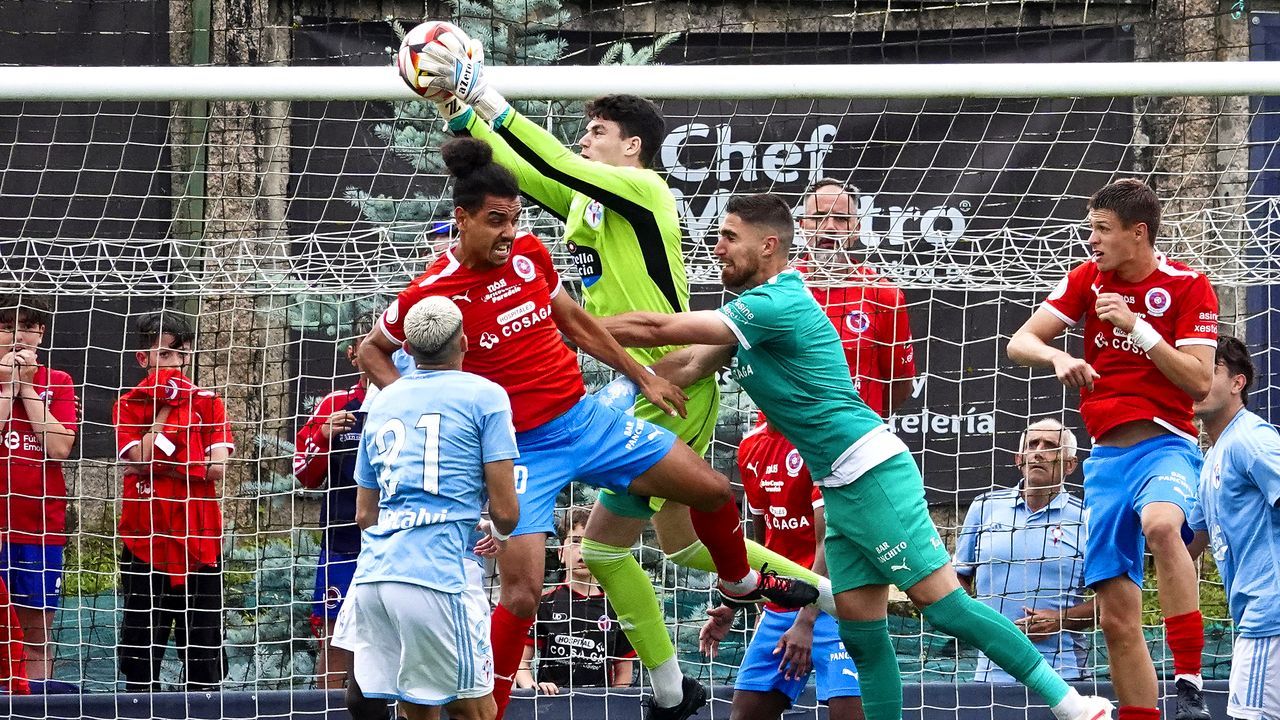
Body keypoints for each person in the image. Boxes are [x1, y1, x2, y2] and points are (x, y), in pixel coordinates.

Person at [418, 48, 832, 719]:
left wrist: (485, 95)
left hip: (671, 378)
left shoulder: (644, 190)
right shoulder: (588, 205)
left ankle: (804, 593)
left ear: (632, 146)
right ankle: (695, 671)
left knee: (613, 547)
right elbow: (525, 173)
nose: (585, 140)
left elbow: (552, 160)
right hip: (632, 379)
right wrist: (457, 111)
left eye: (598, 133)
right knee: (672, 543)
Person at [602, 192, 1114, 720]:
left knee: (945, 606)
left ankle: (1072, 704)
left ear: (769, 245)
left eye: (730, 237)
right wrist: (619, 382)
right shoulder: (745, 322)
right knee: (862, 632)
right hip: (840, 486)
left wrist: (560, 318)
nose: (718, 247)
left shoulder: (778, 302)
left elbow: (661, 329)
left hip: (870, 471)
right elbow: (682, 364)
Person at [1008, 178, 1217, 720]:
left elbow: (1198, 381)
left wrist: (1139, 329)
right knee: (1116, 620)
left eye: (1102, 229)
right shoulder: (1086, 279)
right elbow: (1021, 341)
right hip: (1105, 460)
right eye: (1090, 229)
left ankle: (1190, 679)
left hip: (1164, 446)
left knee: (1163, 526)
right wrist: (1055, 359)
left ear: (1138, 233)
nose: (1092, 241)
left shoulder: (1189, 285)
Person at [334, 295, 520, 720]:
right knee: (475, 710)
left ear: (409, 351)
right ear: (465, 344)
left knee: (417, 707)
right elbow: (506, 511)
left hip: (375, 578)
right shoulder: (485, 395)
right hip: (436, 576)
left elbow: (365, 514)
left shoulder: (381, 402)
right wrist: (501, 535)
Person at [699, 415, 864, 720]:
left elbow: (831, 542)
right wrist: (734, 601)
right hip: (781, 605)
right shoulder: (750, 446)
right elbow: (763, 545)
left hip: (836, 604)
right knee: (744, 715)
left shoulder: (818, 441)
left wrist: (806, 622)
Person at [113, 312, 233, 692]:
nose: (174, 364)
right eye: (164, 354)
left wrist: (158, 464)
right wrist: (164, 413)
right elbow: (139, 459)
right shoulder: (127, 405)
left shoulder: (209, 404)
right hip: (146, 540)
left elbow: (215, 470)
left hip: (199, 541)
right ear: (143, 359)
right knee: (140, 657)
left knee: (202, 653)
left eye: (180, 356)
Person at [954, 418, 1094, 683]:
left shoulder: (1087, 518)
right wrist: (974, 620)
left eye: (1050, 445)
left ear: (1070, 464)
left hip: (1064, 673)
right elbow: (959, 577)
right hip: (990, 674)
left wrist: (1060, 620)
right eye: (1032, 444)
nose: (1038, 451)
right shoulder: (984, 507)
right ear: (1019, 459)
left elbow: (1111, 602)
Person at [1188, 336, 1280, 720]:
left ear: (1237, 383)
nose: (1196, 380)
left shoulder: (1251, 439)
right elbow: (1186, 543)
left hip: (1268, 619)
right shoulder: (1210, 459)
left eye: (1211, 369)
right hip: (1258, 621)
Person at [293, 312, 378, 689]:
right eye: (369, 342)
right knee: (335, 641)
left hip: (397, 543)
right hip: (342, 544)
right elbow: (303, 473)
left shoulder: (412, 399)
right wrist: (323, 436)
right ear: (353, 353)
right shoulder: (336, 403)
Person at [0, 294, 77, 681]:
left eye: (28, 327)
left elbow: (60, 447)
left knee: (36, 634)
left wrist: (27, 388)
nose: (18, 336)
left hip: (38, 529)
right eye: (7, 326)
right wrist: (6, 388)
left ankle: (35, 704)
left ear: (41, 333)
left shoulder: (58, 381)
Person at [800, 179, 916, 418]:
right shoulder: (777, 287)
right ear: (802, 226)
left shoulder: (882, 295)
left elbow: (901, 384)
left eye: (841, 219)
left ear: (856, 230)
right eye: (819, 217)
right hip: (782, 442)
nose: (829, 227)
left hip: (854, 443)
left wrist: (860, 427)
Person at [515, 507, 635, 695]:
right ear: (561, 553)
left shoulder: (616, 609)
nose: (583, 550)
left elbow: (623, 671)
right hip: (551, 705)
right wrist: (534, 688)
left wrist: (614, 704)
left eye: (592, 543)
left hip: (598, 706)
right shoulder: (544, 603)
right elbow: (521, 663)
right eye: (576, 541)